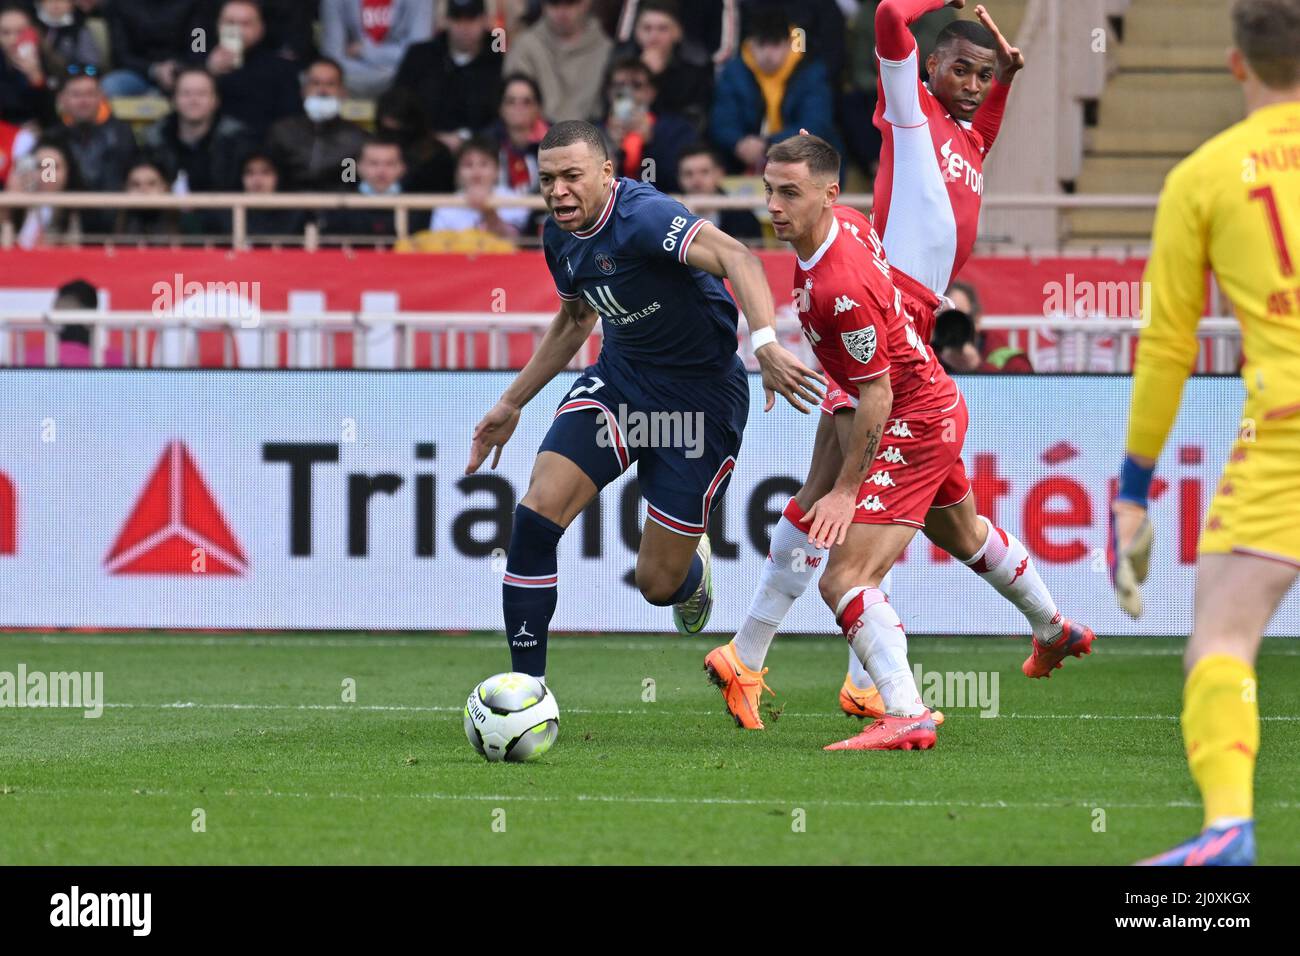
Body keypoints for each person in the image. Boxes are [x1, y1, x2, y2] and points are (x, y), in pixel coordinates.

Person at [464, 120, 823, 683]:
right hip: (622, 387)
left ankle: (691, 577)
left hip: (698, 408)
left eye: (572, 177)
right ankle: (526, 689)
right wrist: (511, 404)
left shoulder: (643, 217)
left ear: (608, 173)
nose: (558, 191)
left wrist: (766, 344)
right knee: (535, 516)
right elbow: (577, 318)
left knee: (657, 586)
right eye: (547, 179)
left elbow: (741, 260)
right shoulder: (559, 236)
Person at [1114, 0, 1300, 867]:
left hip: (1286, 432)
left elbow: (1167, 348)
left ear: (1236, 64)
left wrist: (1132, 491)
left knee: (1223, 639)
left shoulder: (1204, 176)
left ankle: (1229, 831)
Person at [707, 133, 954, 744]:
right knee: (843, 526)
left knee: (839, 508)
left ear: (829, 194)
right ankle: (887, 697)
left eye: (789, 192)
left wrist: (847, 485)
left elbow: (876, 378)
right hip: (869, 386)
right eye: (769, 191)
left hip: (882, 390)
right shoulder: (839, 230)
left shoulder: (839, 280)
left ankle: (749, 653)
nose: (774, 206)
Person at [709, 7, 840, 174]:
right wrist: (738, 143)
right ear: (749, 44)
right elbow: (721, 121)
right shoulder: (734, 72)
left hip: (802, 161)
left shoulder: (811, 72)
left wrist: (768, 144)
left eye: (775, 44)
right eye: (761, 45)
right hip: (740, 162)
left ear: (788, 43)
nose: (768, 54)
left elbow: (816, 123)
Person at [391, 0, 502, 154]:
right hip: (421, 150)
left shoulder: (498, 62)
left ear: (485, 21)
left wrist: (467, 138)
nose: (464, 27)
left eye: (471, 19)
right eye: (457, 19)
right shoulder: (419, 57)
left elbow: (502, 116)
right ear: (445, 21)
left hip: (483, 152)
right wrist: (432, 137)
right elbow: (398, 106)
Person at [141, 67, 253, 193]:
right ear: (173, 100)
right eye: (186, 94)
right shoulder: (155, 139)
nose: (194, 100)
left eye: (202, 94)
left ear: (216, 100)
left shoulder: (236, 140)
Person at [205, 0, 303, 140]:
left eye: (246, 24)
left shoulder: (282, 69)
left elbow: (291, 120)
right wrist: (210, 73)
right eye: (230, 23)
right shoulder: (203, 64)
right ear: (218, 26)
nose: (237, 30)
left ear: (260, 28)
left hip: (262, 145)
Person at [502, 0, 612, 123]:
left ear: (586, 3)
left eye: (570, 4)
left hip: (594, 133)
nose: (562, 12)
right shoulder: (524, 47)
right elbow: (514, 106)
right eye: (554, 4)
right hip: (537, 135)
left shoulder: (607, 50)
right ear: (543, 5)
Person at [267, 57, 366, 192]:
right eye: (315, 83)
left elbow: (349, 182)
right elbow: (274, 178)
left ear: (343, 92)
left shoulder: (356, 139)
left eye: (330, 84)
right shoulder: (282, 132)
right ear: (303, 90)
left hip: (337, 209)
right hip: (290, 208)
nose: (322, 90)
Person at [599, 55, 694, 194]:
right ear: (609, 92)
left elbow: (673, 182)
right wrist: (612, 147)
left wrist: (650, 144)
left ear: (651, 92)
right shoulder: (594, 133)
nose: (627, 93)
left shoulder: (675, 131)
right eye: (619, 86)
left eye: (636, 85)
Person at [615, 0, 712, 131]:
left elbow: (693, 121)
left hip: (674, 141)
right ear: (637, 33)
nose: (653, 37)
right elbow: (617, 112)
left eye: (663, 29)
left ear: (677, 33)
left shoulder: (695, 70)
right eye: (647, 28)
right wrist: (642, 75)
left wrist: (658, 78)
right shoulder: (622, 66)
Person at [320, 0, 432, 98]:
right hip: (351, 77)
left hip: (403, 77)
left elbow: (419, 54)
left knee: (427, 79)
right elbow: (332, 59)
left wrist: (365, 50)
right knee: (318, 80)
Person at [429, 137, 530, 239]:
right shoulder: (444, 208)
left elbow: (515, 244)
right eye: (468, 165)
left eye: (484, 164)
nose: (476, 173)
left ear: (497, 170)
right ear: (458, 173)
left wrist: (488, 211)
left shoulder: (515, 201)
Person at [101, 0, 205, 96]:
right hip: (137, 72)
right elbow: (120, 54)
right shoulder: (120, 4)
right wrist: (155, 70)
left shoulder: (193, 3)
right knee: (111, 85)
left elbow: (199, 45)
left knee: (199, 85)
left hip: (181, 71)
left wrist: (179, 67)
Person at [320, 137, 406, 241]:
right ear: (359, 167)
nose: (381, 171)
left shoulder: (418, 210)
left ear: (402, 168)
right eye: (373, 163)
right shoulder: (339, 208)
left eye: (389, 164)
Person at [675, 142, 762, 241]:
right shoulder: (669, 217)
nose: (696, 181)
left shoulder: (743, 216)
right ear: (679, 178)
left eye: (704, 172)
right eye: (688, 174)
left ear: (719, 174)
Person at [0, 2, 55, 126]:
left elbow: (52, 117)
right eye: (5, 33)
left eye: (20, 32)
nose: (13, 39)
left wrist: (36, 78)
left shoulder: (48, 61)